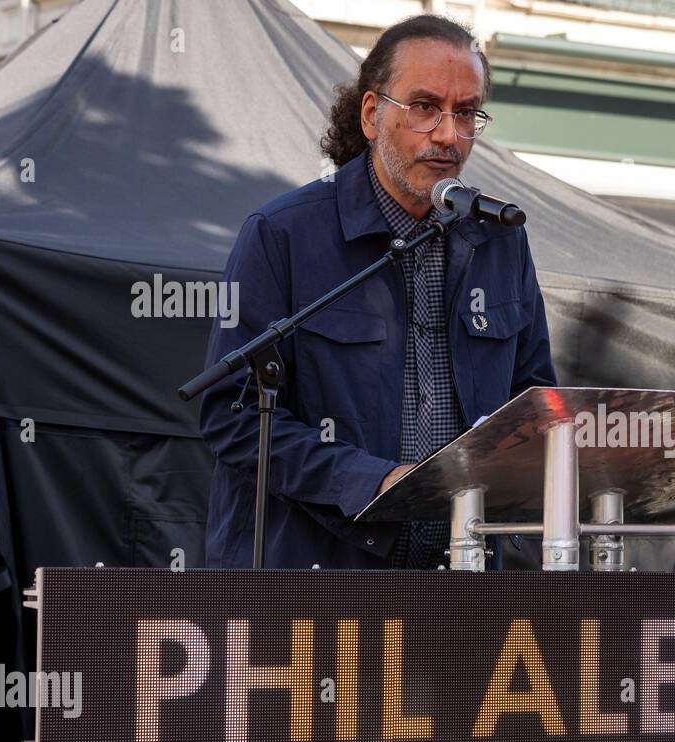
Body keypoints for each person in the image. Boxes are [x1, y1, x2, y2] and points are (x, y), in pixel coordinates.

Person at [200, 14, 556, 569]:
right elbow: (233, 415)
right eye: (424, 107)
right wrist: (375, 482)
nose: (447, 134)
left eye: (466, 113)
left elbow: (535, 406)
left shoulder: (500, 240)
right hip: (313, 588)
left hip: (466, 583)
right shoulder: (282, 234)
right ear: (372, 114)